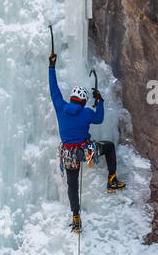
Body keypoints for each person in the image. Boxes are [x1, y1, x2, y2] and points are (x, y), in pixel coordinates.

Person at [49, 49, 124, 233]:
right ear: (83, 102)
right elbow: (99, 119)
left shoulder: (61, 107)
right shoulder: (86, 112)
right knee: (109, 147)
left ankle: (76, 218)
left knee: (72, 184)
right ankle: (112, 179)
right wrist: (99, 101)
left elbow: (54, 89)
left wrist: (51, 66)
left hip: (68, 154)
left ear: (71, 98)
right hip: (85, 150)